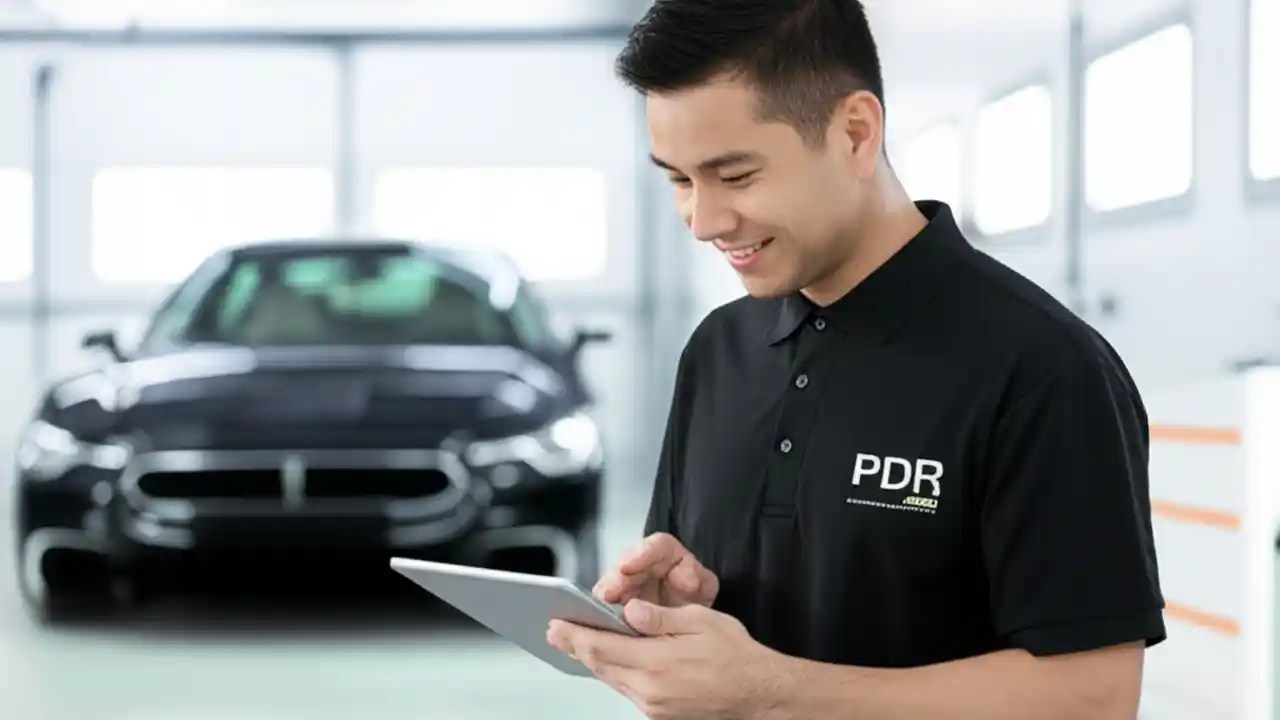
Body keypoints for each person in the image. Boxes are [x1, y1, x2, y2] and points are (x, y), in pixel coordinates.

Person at [545, 0, 1166, 717]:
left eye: (736, 175)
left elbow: (1092, 698)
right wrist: (683, 605)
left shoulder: (1042, 370)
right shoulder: (719, 350)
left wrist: (770, 693)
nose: (705, 221)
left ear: (856, 133)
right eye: (680, 180)